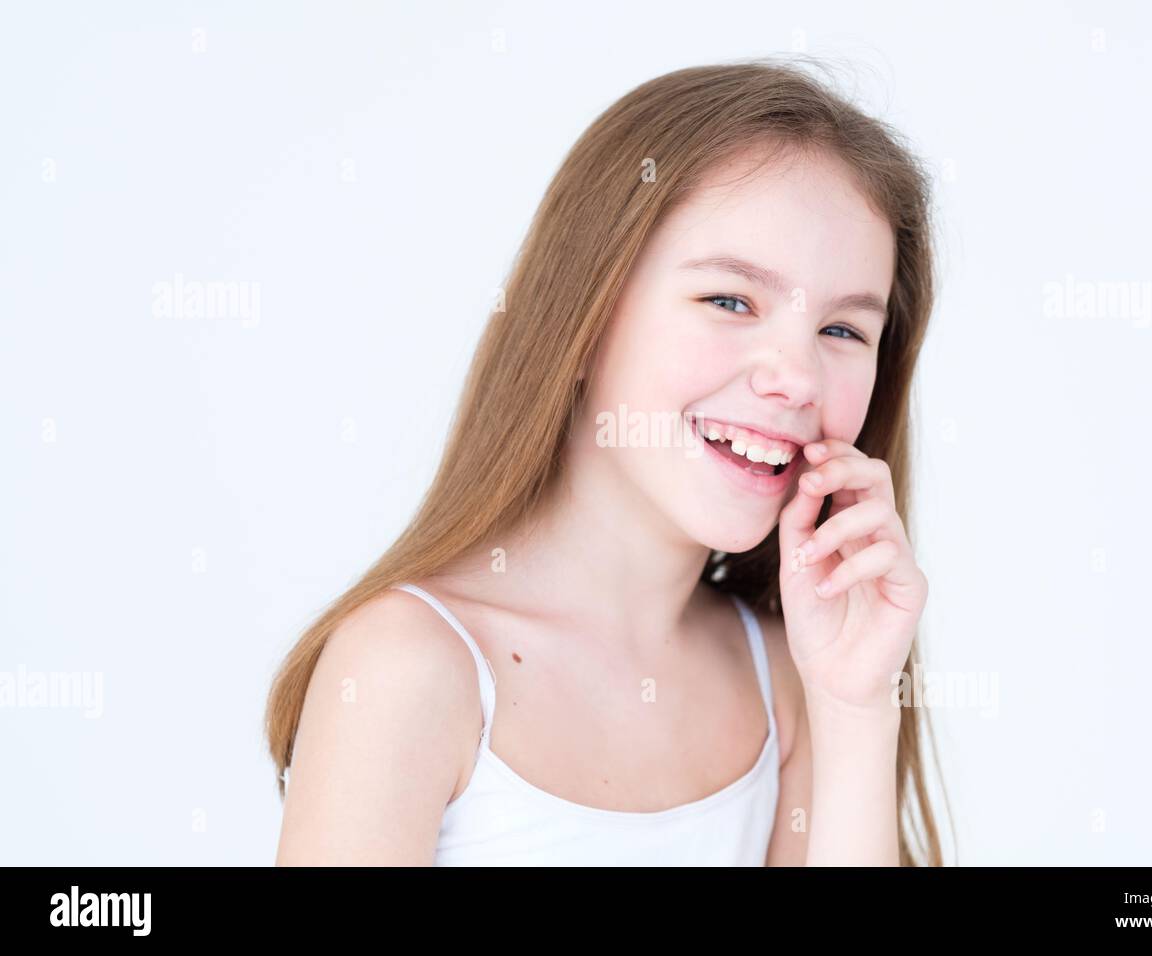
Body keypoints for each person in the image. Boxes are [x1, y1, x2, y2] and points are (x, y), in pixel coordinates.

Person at [268, 56, 945, 866]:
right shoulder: (408, 670)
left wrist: (857, 709)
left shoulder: (793, 680)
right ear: (582, 318)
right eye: (729, 300)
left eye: (843, 331)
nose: (797, 377)